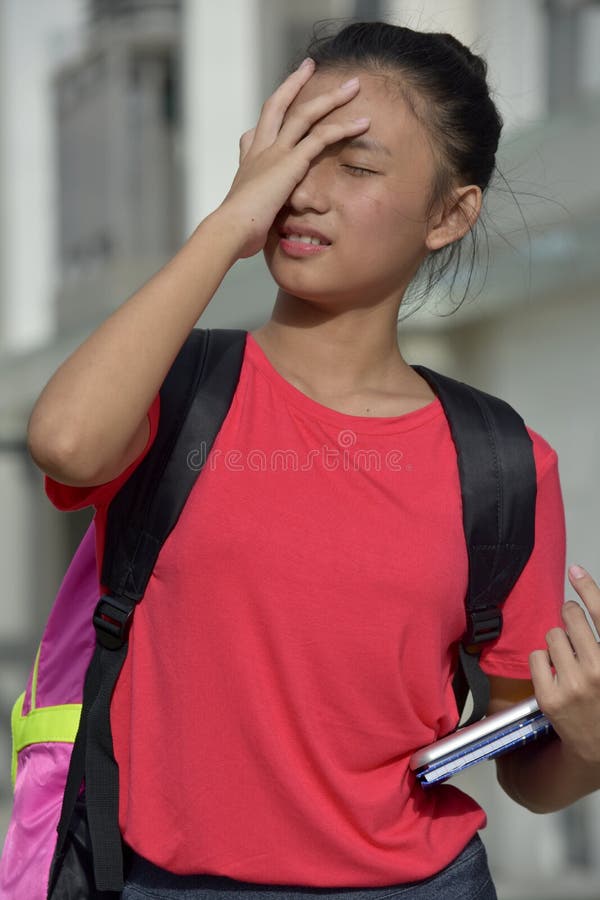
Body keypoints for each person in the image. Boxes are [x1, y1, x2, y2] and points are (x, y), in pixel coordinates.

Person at [26, 19, 600, 900]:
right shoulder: (173, 389)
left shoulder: (503, 462)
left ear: (450, 214)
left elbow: (527, 770)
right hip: (157, 884)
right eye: (295, 156)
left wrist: (590, 742)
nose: (306, 194)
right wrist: (228, 223)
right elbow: (63, 442)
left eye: (357, 167)